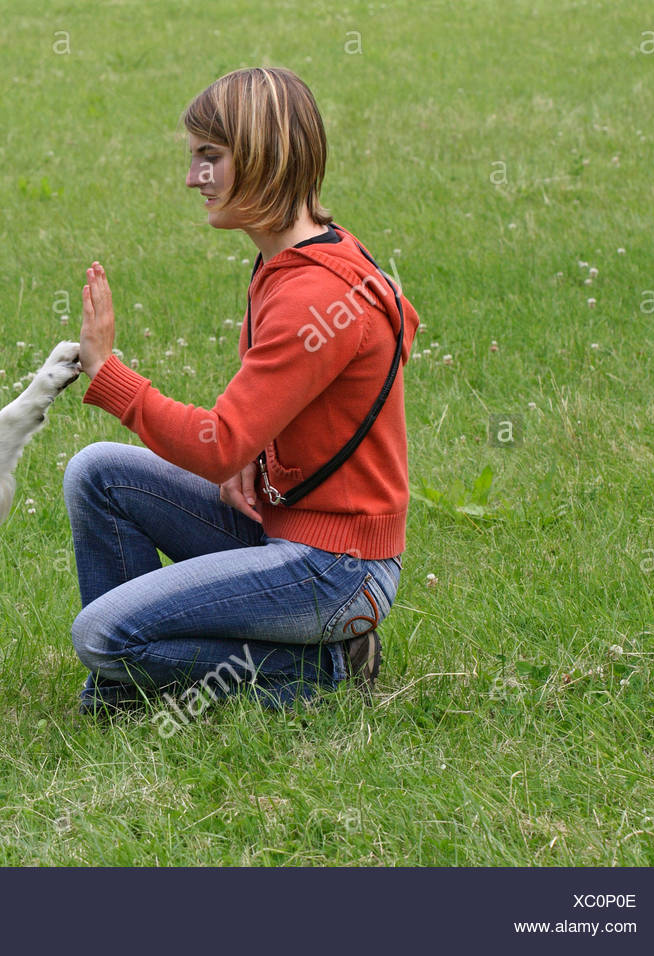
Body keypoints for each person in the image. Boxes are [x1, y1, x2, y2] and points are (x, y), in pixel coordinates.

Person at [67, 67, 420, 714]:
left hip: (338, 572)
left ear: (264, 157)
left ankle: (320, 671)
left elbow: (216, 444)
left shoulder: (315, 294)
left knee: (100, 635)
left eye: (210, 157)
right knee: (97, 475)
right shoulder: (295, 261)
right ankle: (128, 687)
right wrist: (262, 463)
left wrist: (107, 373)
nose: (191, 177)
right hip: (291, 531)